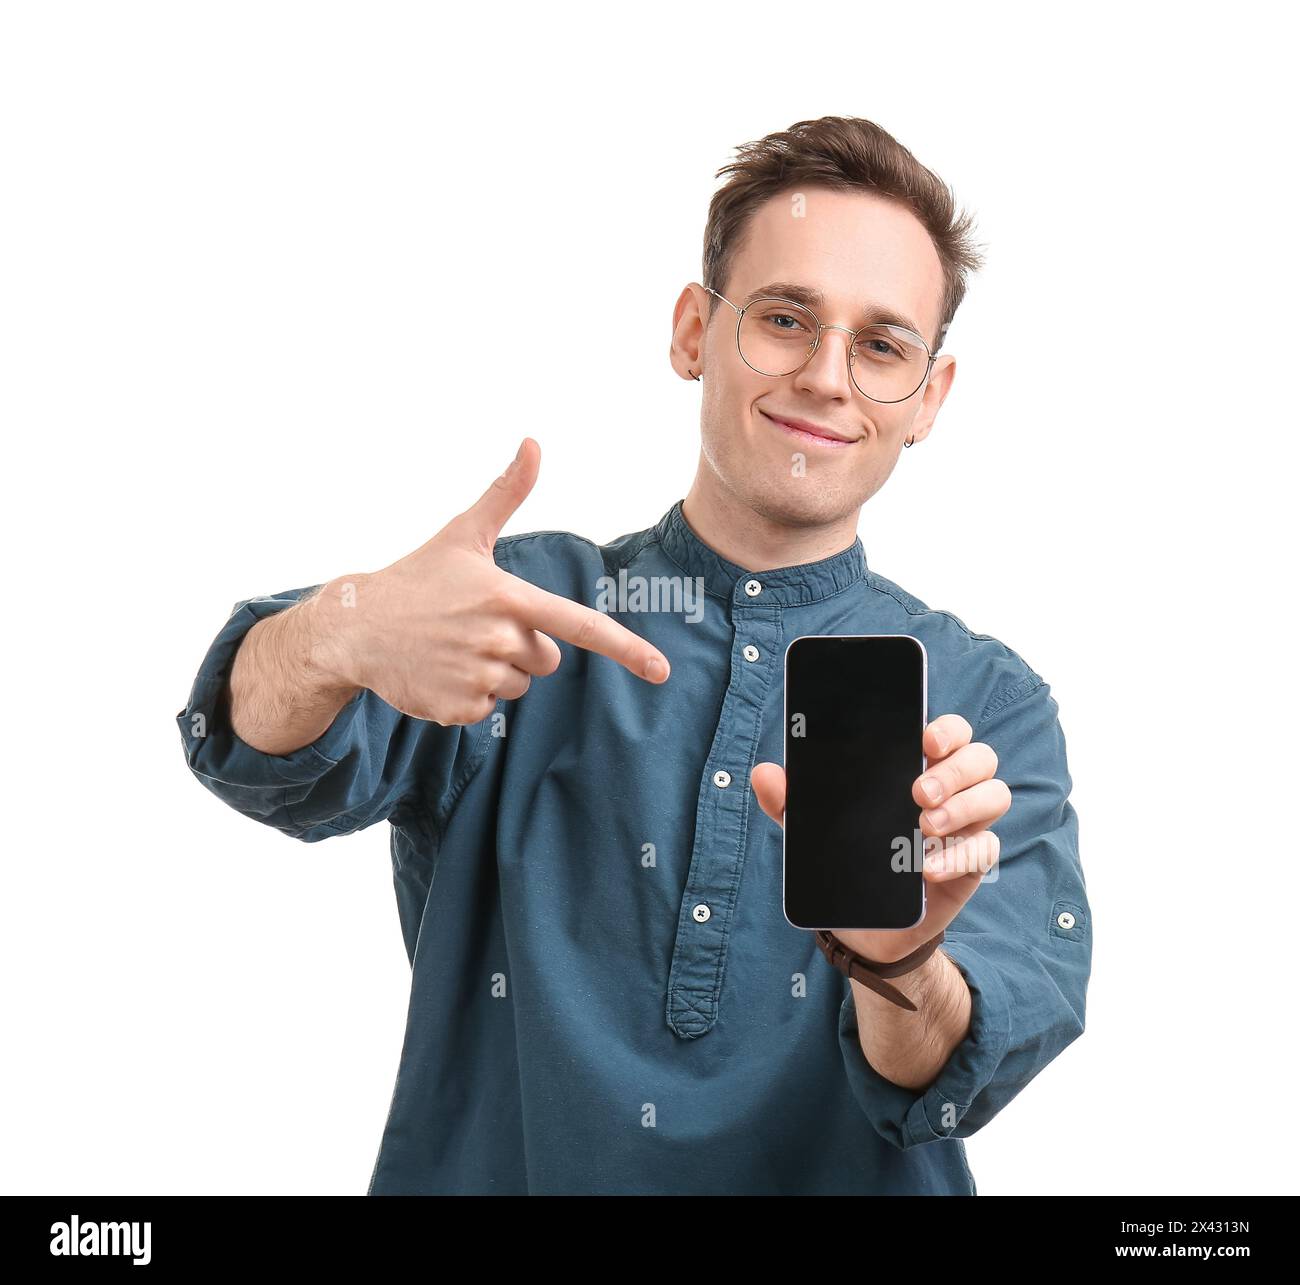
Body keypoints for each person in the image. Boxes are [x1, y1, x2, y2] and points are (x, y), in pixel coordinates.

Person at [176, 115, 1091, 1195]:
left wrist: (896, 956)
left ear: (927, 398)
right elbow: (247, 744)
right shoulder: (513, 611)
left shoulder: (990, 706)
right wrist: (343, 629)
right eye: (786, 318)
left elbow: (947, 1072)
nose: (826, 377)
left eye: (882, 345)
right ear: (693, 332)